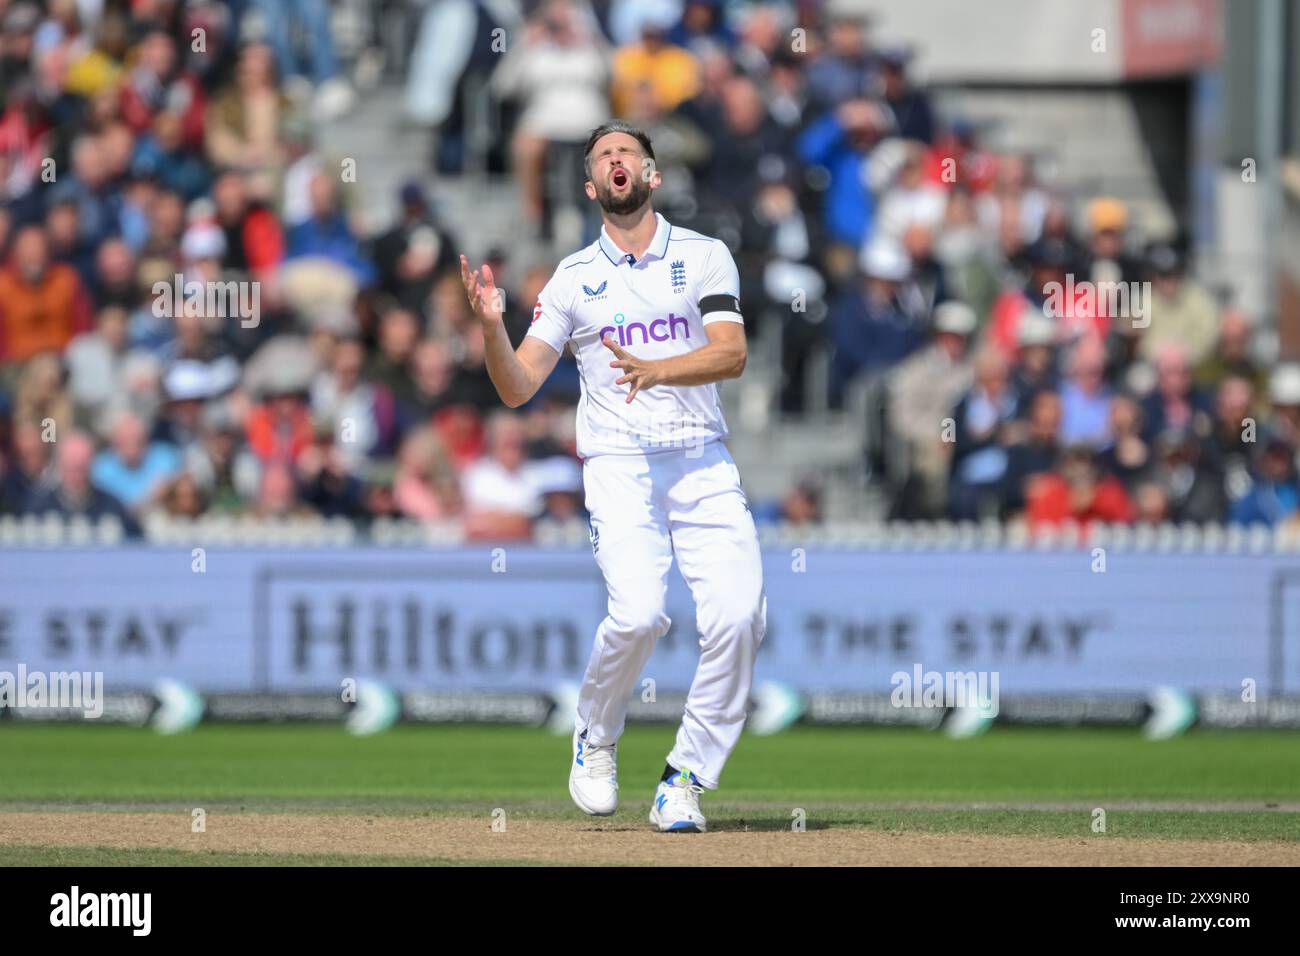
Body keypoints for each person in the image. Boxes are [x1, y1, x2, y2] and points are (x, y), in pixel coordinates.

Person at [459, 120, 765, 833]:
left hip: (699, 458)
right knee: (636, 614)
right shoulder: (573, 278)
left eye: (628, 152)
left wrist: (659, 370)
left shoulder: (705, 255)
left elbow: (732, 353)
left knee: (740, 616)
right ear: (592, 186)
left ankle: (684, 777)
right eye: (602, 156)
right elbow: (516, 388)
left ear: (652, 175)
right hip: (620, 465)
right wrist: (490, 328)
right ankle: (595, 735)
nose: (615, 161)